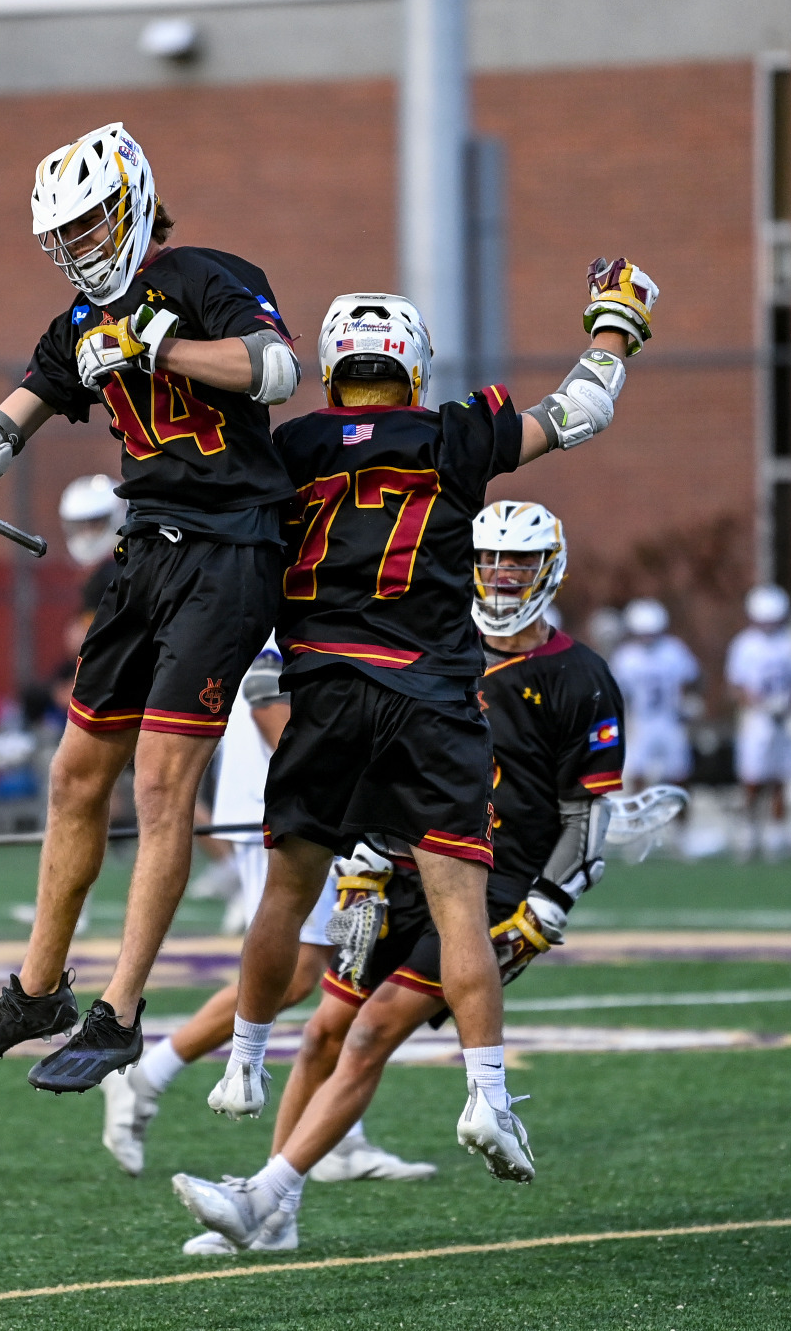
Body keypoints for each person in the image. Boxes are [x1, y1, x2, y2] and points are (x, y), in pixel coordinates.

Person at [192, 269, 652, 1193]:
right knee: (457, 905)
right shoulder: (452, 434)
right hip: (432, 696)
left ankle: (243, 1059)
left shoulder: (286, 452)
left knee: (285, 894)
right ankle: (488, 1092)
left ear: (332, 365)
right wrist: (615, 326)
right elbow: (578, 412)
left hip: (324, 692)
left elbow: (223, 553)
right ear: (412, 366)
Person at [0, 125, 303, 1092]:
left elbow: (280, 367)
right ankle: (37, 990)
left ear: (136, 201)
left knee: (159, 785)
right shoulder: (74, 327)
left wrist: (165, 346)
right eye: (63, 231)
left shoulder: (202, 275)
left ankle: (120, 1012)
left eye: (91, 220)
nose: (80, 244)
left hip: (233, 550)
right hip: (144, 552)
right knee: (74, 776)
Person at [171, 501, 628, 1252]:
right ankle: (275, 1212)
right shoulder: (437, 644)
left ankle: (263, 1199)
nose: (501, 574)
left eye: (518, 560)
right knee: (324, 1029)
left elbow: (586, 812)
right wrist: (365, 847)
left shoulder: (581, 676)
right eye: (488, 558)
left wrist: (553, 898)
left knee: (373, 1028)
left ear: (551, 567)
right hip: (398, 871)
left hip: (491, 892)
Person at [99, 637, 426, 1183]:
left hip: (322, 809)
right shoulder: (292, 587)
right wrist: (344, 795)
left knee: (343, 960)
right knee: (303, 972)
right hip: (289, 808)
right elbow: (269, 704)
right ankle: (146, 1077)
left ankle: (339, 1134)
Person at [727, 584, 791, 861]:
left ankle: (777, 834)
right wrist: (760, 704)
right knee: (752, 778)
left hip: (783, 718)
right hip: (757, 719)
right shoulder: (744, 644)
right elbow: (736, 686)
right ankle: (748, 830)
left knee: (781, 778)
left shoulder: (790, 642)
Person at [611, 598, 700, 791]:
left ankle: (679, 817)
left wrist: (690, 701)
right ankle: (637, 818)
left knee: (679, 772)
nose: (648, 638)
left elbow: (692, 677)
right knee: (636, 771)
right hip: (641, 720)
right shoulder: (626, 656)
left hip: (670, 718)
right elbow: (616, 692)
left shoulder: (673, 650)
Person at [59, 473, 126, 659]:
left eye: (95, 524)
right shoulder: (105, 572)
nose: (87, 534)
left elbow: (84, 638)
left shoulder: (113, 574)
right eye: (81, 526)